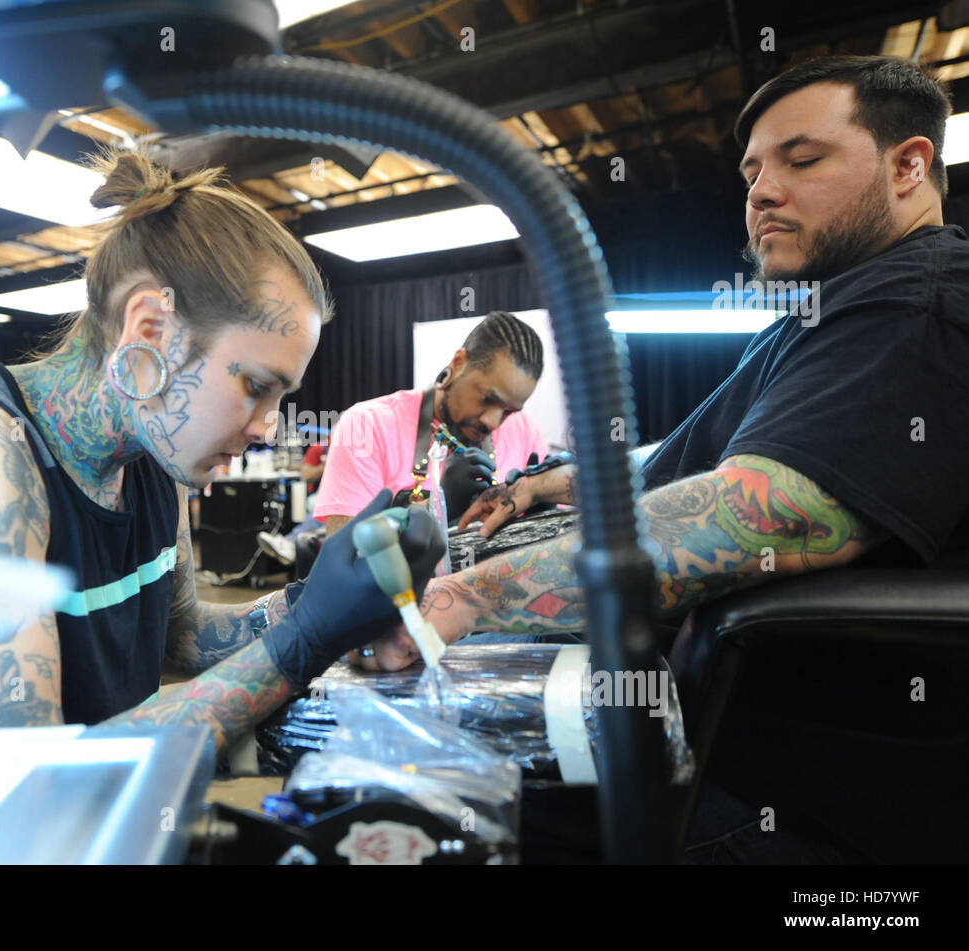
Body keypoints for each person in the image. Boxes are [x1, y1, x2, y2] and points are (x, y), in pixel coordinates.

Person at [360, 55, 969, 862]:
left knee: (385, 781)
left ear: (909, 165)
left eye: (803, 158)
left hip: (771, 790)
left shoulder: (916, 305)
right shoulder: (823, 316)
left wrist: (465, 597)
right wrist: (546, 484)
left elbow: (757, 510)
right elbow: (680, 466)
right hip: (702, 724)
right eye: (751, 170)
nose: (760, 191)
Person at [0, 151, 443, 750]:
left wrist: (323, 605)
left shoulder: (152, 457)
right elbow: (20, 783)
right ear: (151, 331)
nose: (268, 427)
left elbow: (179, 637)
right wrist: (303, 642)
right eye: (257, 387)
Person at [312, 310, 553, 536]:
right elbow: (345, 556)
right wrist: (437, 506)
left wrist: (541, 514)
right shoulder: (365, 426)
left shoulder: (526, 433)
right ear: (458, 364)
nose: (492, 421)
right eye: (486, 399)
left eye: (508, 411)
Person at [257, 441, 326, 565]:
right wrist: (326, 465)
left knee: (327, 506)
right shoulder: (320, 449)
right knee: (322, 505)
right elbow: (306, 474)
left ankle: (290, 543)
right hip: (320, 497)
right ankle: (291, 543)